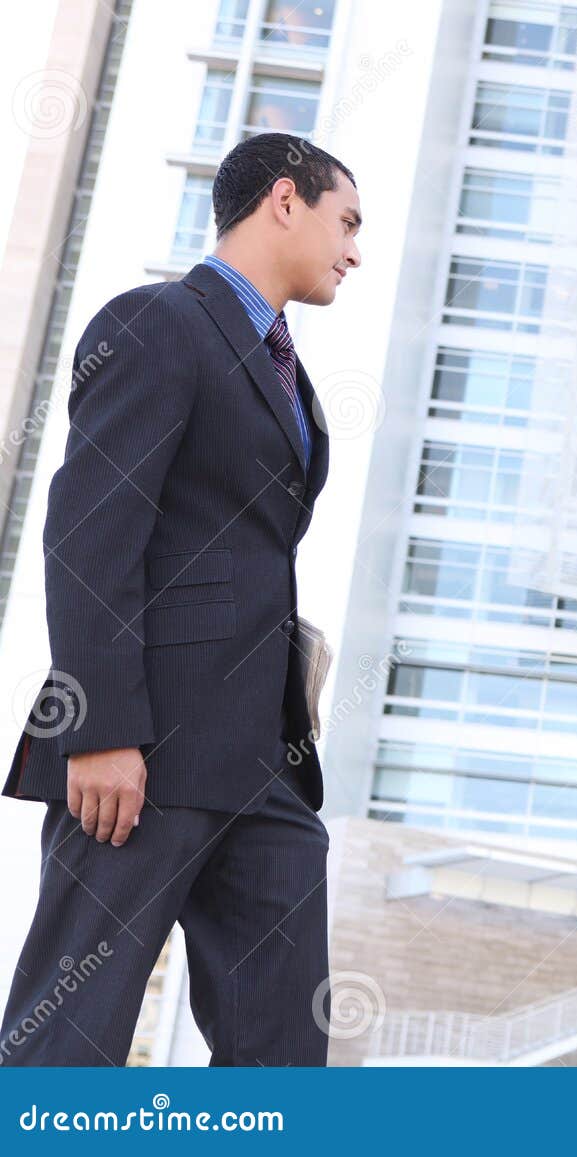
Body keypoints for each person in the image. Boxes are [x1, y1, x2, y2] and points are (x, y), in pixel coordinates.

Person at [1, 133, 361, 1066]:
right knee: (66, 1040)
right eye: (346, 221)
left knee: (285, 1049)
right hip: (144, 748)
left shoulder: (289, 374)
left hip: (265, 764)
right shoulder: (158, 322)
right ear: (286, 200)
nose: (354, 250)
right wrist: (100, 727)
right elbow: (90, 534)